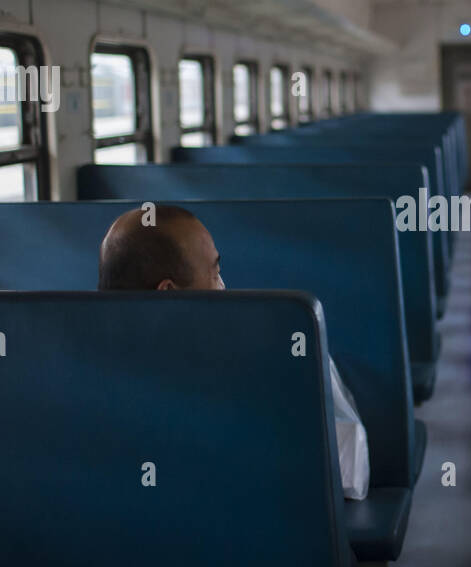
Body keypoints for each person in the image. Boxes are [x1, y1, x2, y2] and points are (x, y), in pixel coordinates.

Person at [97, 205, 370, 501]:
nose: (223, 286)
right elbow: (348, 474)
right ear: (169, 293)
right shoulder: (280, 356)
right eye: (215, 273)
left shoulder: (70, 375)